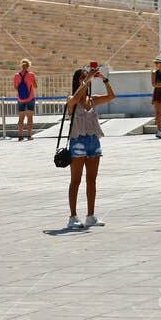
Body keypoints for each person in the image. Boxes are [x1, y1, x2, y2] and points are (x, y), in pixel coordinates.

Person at [64, 64, 116, 229]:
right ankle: (72, 216)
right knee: (76, 180)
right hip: (78, 142)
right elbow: (73, 100)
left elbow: (111, 96)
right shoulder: (71, 99)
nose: (87, 79)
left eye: (87, 76)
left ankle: (90, 215)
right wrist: (86, 81)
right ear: (77, 80)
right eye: (83, 77)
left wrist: (104, 79)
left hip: (94, 141)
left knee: (92, 180)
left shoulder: (91, 99)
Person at [14, 60, 38, 141]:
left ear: (21, 65)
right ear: (28, 66)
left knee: (21, 118)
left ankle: (20, 136)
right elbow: (35, 86)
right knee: (30, 118)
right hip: (30, 98)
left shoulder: (17, 75)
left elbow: (15, 87)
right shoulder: (31, 75)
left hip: (20, 99)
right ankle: (29, 136)